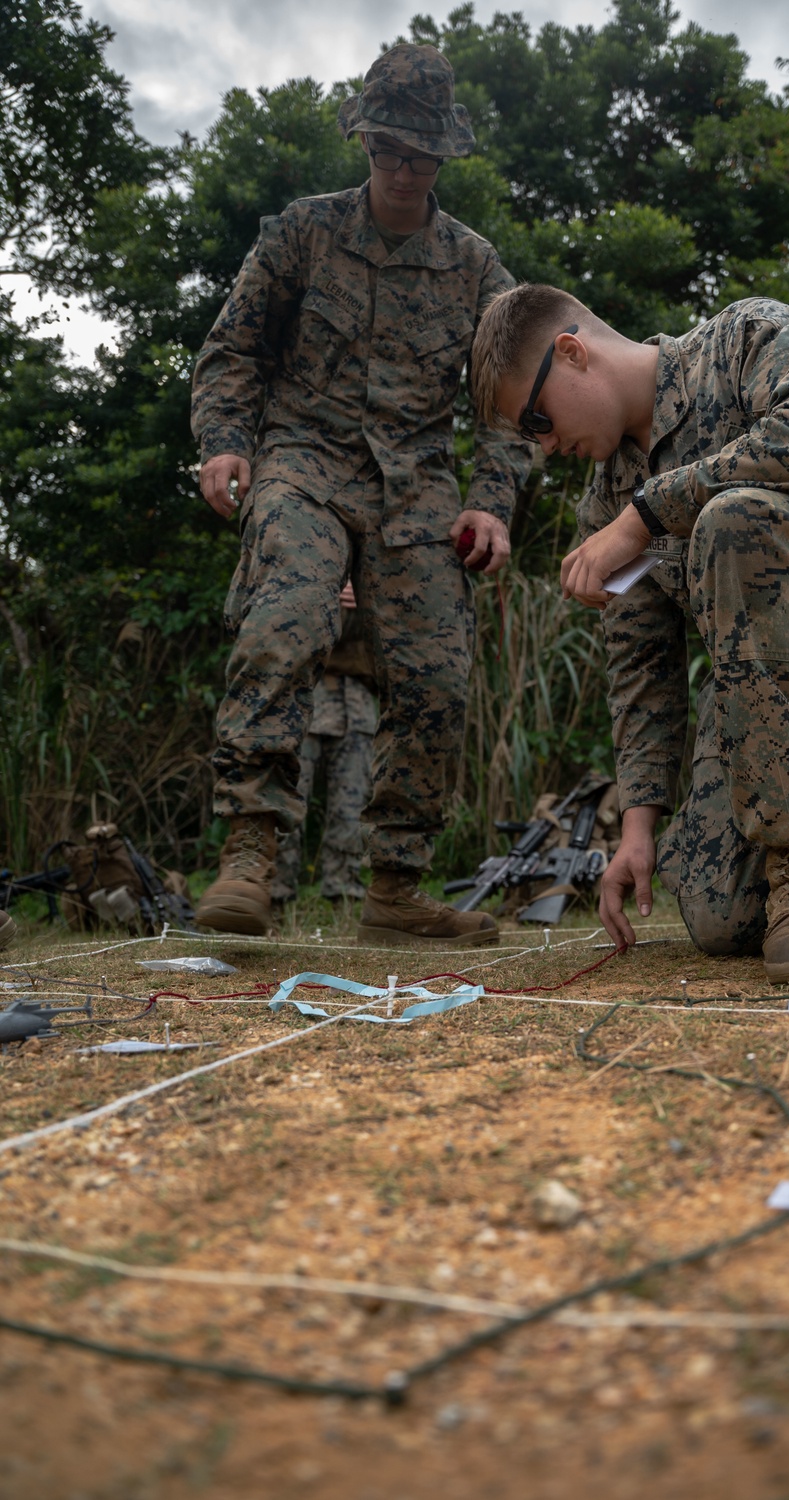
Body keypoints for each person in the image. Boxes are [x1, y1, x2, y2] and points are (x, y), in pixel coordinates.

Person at [470, 286, 789, 984]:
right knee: (717, 914)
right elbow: (642, 664)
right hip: (769, 693)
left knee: (733, 520)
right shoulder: (606, 498)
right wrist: (637, 828)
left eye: (537, 418)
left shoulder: (743, 338)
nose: (547, 446)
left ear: (572, 352)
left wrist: (647, 514)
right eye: (531, 436)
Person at [191, 44, 530, 945]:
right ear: (367, 142)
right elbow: (232, 353)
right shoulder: (301, 233)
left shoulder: (475, 267)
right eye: (390, 151)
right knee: (287, 617)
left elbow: (509, 403)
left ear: (444, 156)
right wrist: (226, 445)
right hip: (303, 458)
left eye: (422, 156)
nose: (405, 170)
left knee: (438, 672)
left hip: (418, 485)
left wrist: (490, 501)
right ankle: (251, 855)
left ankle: (393, 886)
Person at [272, 584, 377, 910]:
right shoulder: (309, 557)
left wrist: (368, 600)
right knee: (287, 802)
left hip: (357, 702)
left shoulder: (373, 568)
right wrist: (328, 595)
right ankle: (275, 895)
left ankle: (344, 895)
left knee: (352, 808)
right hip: (304, 696)